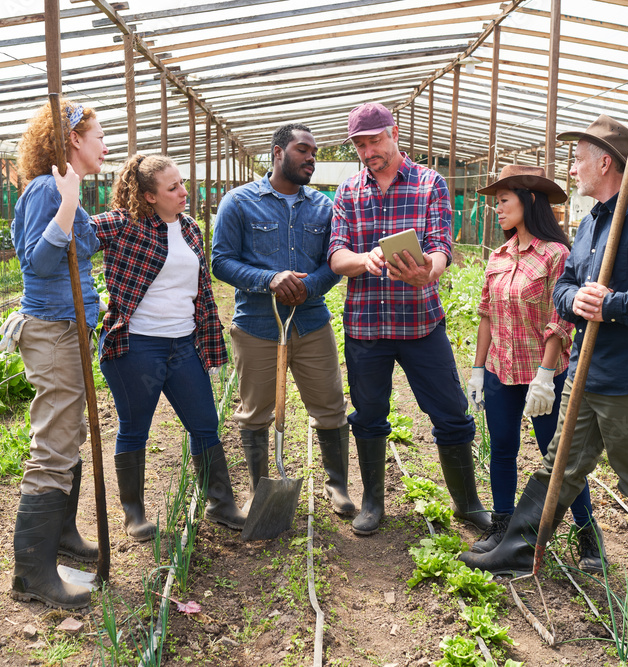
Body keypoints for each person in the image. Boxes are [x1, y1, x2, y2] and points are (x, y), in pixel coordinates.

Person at [460, 115, 628, 639]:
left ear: (606, 162)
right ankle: (518, 550)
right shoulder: (594, 221)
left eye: (578, 158)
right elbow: (565, 289)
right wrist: (579, 300)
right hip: (586, 373)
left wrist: (617, 304)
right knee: (560, 466)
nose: (571, 168)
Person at [327, 102, 490, 536]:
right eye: (360, 144)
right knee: (368, 414)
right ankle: (373, 502)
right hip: (367, 327)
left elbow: (441, 247)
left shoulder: (428, 184)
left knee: (452, 414)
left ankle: (468, 504)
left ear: (394, 132)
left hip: (420, 323)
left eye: (374, 141)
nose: (367, 151)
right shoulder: (348, 193)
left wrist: (427, 272)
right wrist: (363, 259)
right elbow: (337, 255)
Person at [92, 154, 246, 543]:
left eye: (182, 183)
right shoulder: (125, 225)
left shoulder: (191, 228)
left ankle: (221, 503)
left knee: (205, 423)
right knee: (134, 429)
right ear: (147, 197)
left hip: (183, 344)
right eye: (173, 187)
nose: (184, 192)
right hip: (137, 346)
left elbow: (200, 291)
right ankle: (134, 515)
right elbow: (74, 233)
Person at [466, 164, 606, 573]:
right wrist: (478, 371)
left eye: (503, 201)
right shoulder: (498, 255)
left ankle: (586, 532)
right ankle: (503, 526)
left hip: (544, 375)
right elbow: (487, 315)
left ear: (528, 201)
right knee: (503, 449)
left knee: (560, 458)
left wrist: (546, 376)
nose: (497, 210)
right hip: (500, 373)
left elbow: (560, 318)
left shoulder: (556, 254)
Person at [212, 123, 353, 517]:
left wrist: (310, 288)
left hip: (310, 324)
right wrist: (269, 279)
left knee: (330, 407)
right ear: (277, 153)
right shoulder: (238, 203)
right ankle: (261, 491)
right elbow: (220, 261)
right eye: (303, 150)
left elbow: (334, 262)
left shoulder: (324, 208)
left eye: (314, 152)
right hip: (257, 325)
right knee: (255, 413)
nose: (311, 158)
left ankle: (338, 487)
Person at [8, 98, 107, 609]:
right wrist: (68, 203)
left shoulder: (66, 189)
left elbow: (86, 246)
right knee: (53, 445)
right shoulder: (50, 188)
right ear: (73, 139)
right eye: (97, 135)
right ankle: (32, 575)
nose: (103, 144)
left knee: (69, 435)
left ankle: (62, 538)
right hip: (51, 329)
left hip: (71, 327)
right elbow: (38, 262)